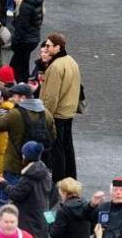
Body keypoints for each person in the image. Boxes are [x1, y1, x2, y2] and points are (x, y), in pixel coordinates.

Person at [38, 33, 80, 183]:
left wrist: (45, 116)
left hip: (57, 113)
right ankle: (71, 177)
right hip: (68, 111)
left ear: (58, 47)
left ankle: (59, 180)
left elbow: (51, 96)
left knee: (57, 150)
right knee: (68, 147)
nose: (46, 48)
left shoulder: (55, 66)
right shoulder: (71, 61)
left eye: (49, 46)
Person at [0, 141, 53, 238]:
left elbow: (16, 194)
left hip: (29, 218)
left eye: (23, 154)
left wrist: (3, 184)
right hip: (43, 214)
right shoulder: (45, 172)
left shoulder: (28, 177)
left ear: (26, 156)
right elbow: (53, 194)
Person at [9, 0, 44, 82]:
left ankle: (22, 90)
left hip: (24, 41)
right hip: (32, 39)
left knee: (15, 68)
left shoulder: (25, 5)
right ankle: (24, 86)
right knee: (23, 66)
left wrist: (13, 45)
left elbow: (20, 27)